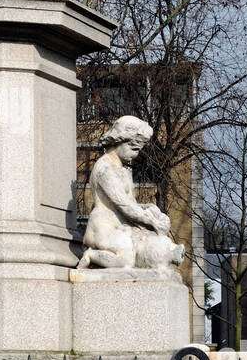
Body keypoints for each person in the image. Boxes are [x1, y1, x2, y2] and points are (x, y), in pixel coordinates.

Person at [78, 115, 184, 273]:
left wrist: (149, 209)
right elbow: (124, 205)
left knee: (156, 251)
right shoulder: (105, 168)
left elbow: (131, 204)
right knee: (127, 259)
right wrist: (152, 221)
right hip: (105, 227)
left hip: (123, 226)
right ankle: (91, 256)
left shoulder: (124, 169)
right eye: (134, 148)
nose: (136, 154)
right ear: (121, 140)